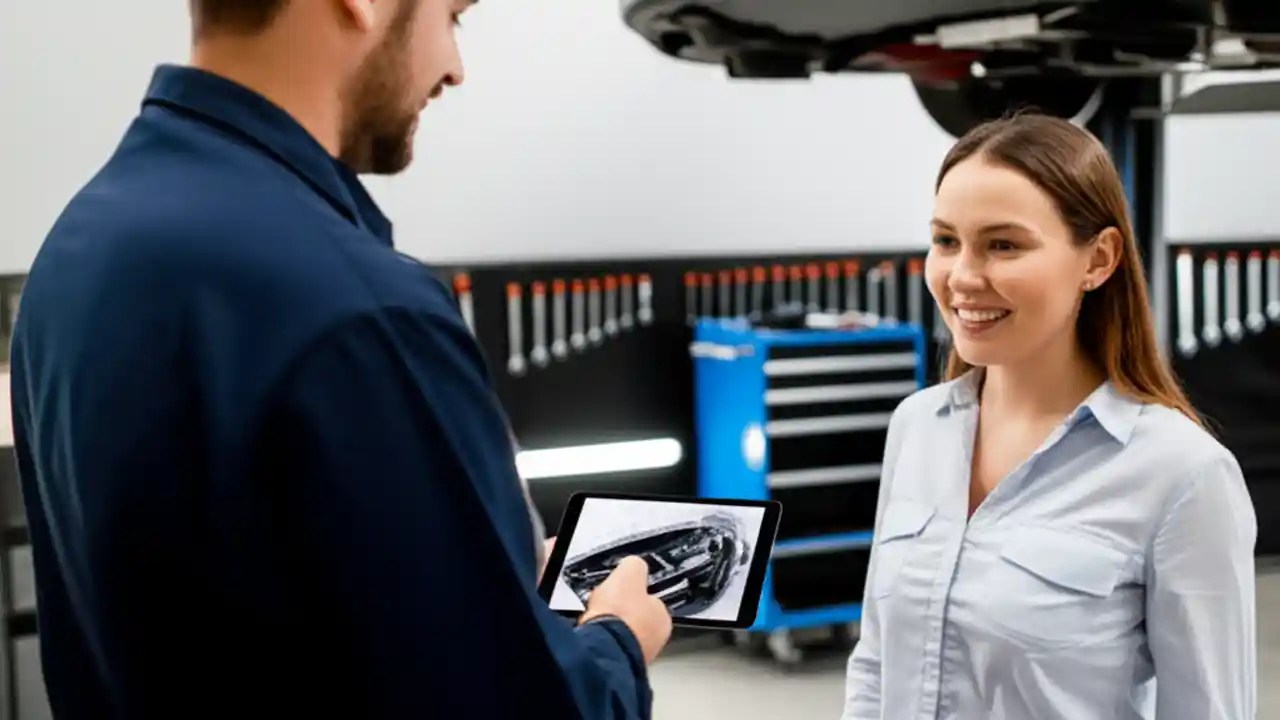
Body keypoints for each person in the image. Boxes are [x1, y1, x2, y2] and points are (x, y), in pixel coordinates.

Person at [10, 0, 672, 717]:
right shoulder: (361, 313)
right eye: (453, 16)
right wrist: (619, 638)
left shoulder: (81, 246)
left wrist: (480, 570)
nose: (456, 67)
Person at [843, 113, 1256, 720]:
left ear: (1099, 259)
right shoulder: (919, 426)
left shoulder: (1182, 474)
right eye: (946, 240)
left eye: (1004, 245)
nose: (962, 276)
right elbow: (876, 664)